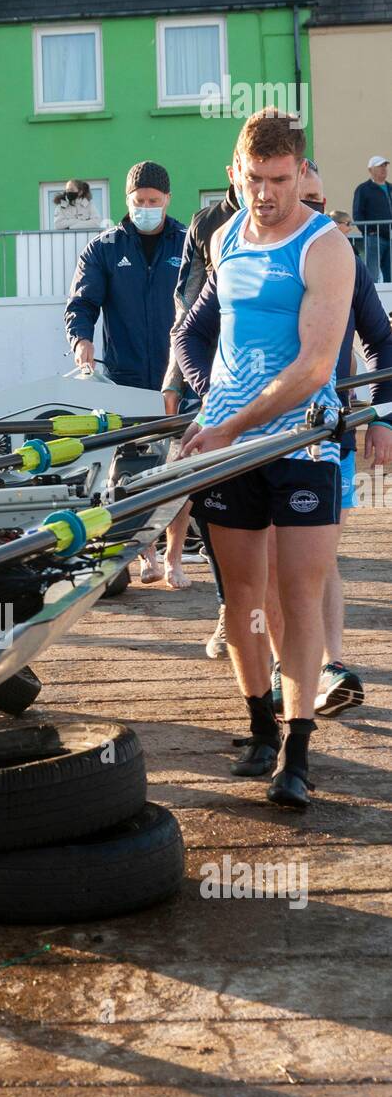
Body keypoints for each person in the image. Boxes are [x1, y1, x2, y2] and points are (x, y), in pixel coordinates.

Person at [177, 110, 355, 809]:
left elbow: (315, 366)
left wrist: (234, 426)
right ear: (235, 171)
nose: (266, 193)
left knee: (297, 596)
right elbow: (218, 347)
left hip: (302, 440)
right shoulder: (223, 239)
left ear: (300, 173)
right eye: (254, 179)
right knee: (242, 598)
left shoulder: (325, 246)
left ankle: (299, 745)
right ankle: (258, 726)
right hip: (228, 441)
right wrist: (207, 417)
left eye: (279, 179)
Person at [178, 161, 392, 718]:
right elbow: (190, 334)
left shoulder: (335, 255)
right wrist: (221, 402)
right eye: (307, 199)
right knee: (264, 569)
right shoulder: (236, 248)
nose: (311, 212)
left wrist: (386, 419)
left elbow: (385, 344)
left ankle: (328, 665)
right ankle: (285, 671)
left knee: (314, 567)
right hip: (246, 434)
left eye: (318, 202)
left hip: (323, 431)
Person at [65, 160, 186, 584]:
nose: (146, 208)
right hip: (125, 377)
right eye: (139, 202)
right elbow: (81, 305)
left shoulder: (188, 244)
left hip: (180, 377)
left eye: (154, 201)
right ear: (128, 201)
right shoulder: (104, 248)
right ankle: (145, 554)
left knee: (182, 466)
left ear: (168, 200)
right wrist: (82, 342)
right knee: (130, 471)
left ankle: (174, 558)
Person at [161, 168, 241, 599]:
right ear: (237, 171)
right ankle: (173, 556)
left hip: (268, 386)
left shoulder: (300, 224)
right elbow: (186, 306)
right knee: (187, 467)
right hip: (207, 373)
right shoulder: (208, 223)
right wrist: (175, 378)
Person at [352, 155, 392, 283]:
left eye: (385, 166)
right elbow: (357, 214)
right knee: (372, 275)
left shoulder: (390, 188)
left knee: (390, 275)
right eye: (380, 166)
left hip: (390, 237)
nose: (384, 169)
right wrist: (368, 231)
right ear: (370, 170)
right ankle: (370, 302)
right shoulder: (363, 189)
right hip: (374, 238)